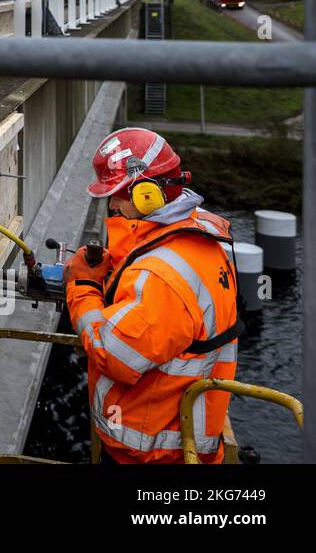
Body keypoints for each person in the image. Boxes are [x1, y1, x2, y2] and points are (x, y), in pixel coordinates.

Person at [64, 128, 242, 463]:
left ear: (149, 195)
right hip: (182, 432)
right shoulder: (199, 228)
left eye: (118, 195)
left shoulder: (161, 277)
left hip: (157, 451)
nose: (113, 206)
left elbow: (114, 356)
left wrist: (84, 288)